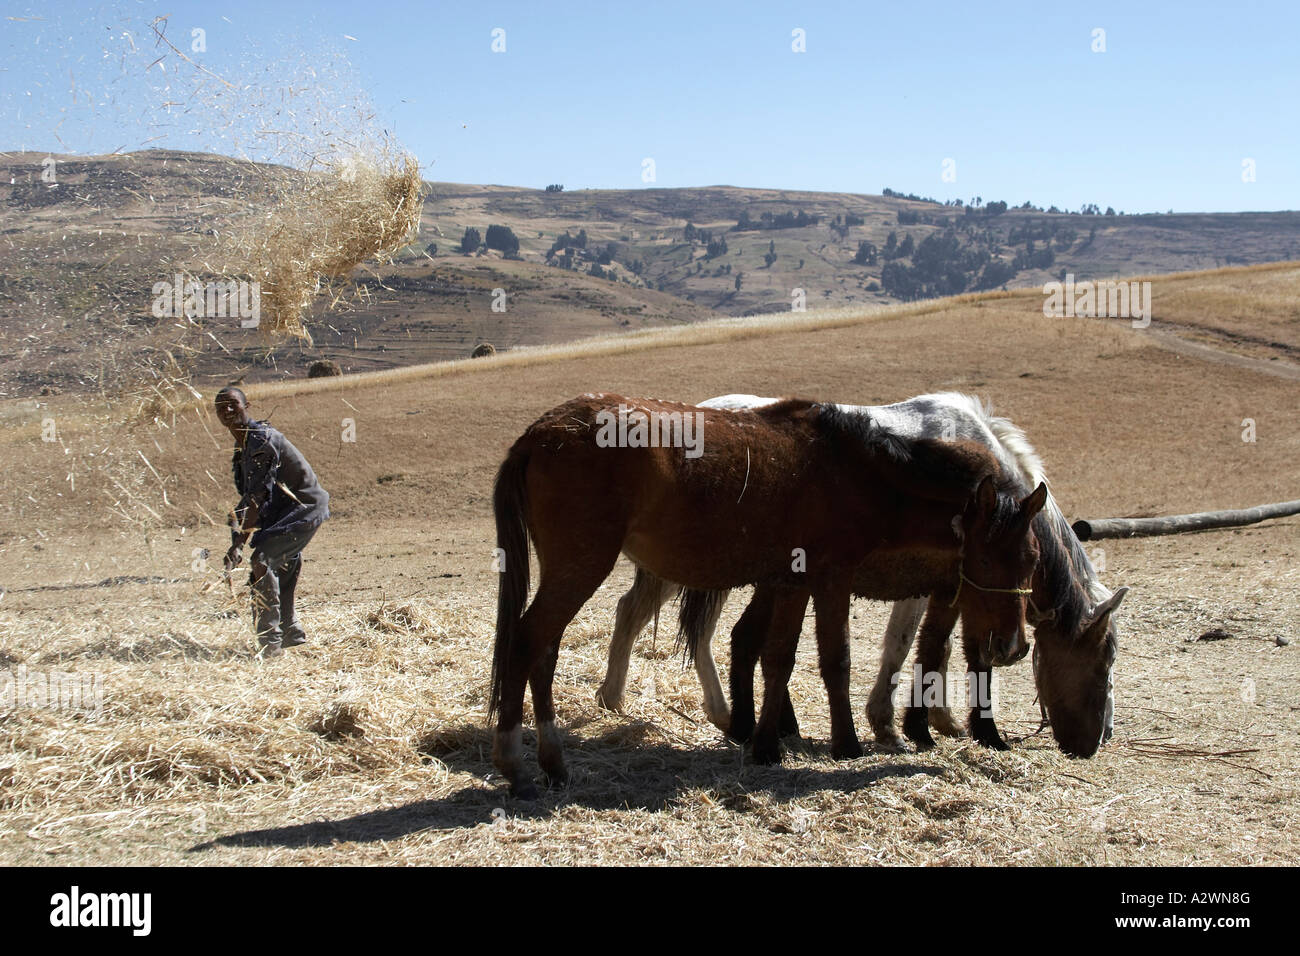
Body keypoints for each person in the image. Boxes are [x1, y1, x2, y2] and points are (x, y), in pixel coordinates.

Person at [215, 386, 330, 658]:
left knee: (262, 562)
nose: (227, 410)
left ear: (247, 405)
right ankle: (291, 634)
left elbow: (256, 498)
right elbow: (248, 499)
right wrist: (235, 533)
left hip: (302, 508)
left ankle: (270, 645)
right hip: (284, 514)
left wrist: (239, 547)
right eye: (221, 406)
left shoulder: (260, 440)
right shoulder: (242, 447)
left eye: (233, 404)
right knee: (281, 566)